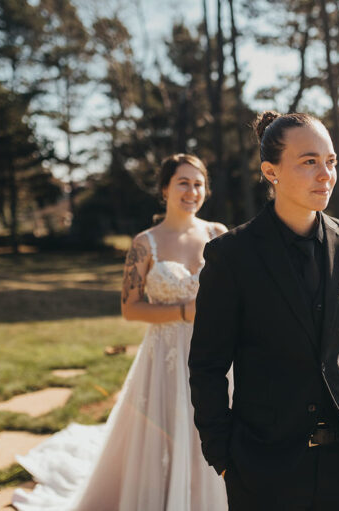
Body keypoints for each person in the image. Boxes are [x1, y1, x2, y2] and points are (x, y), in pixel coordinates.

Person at [188, 111, 339, 510]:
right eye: (309, 162)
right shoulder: (231, 256)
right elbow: (208, 365)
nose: (325, 174)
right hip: (264, 467)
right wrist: (224, 456)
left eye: (330, 161)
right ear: (271, 172)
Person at [12, 154, 229, 511]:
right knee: (167, 431)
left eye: (198, 183)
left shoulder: (217, 234)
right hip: (164, 356)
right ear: (165, 189)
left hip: (214, 352)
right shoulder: (146, 243)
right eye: (183, 183)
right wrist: (182, 311)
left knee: (211, 427)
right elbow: (130, 308)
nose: (192, 191)